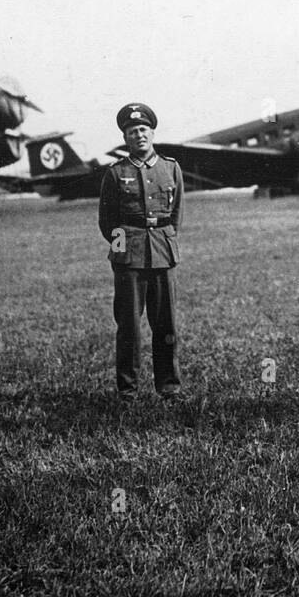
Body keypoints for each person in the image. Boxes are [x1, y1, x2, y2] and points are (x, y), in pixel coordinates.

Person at [98, 103, 184, 401]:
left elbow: (175, 215)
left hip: (163, 253)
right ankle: (128, 390)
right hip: (129, 259)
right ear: (126, 138)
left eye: (143, 130)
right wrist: (122, 258)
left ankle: (169, 387)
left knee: (167, 326)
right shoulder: (115, 172)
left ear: (153, 133)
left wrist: (165, 242)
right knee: (129, 328)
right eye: (133, 132)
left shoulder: (171, 168)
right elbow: (107, 221)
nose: (139, 136)